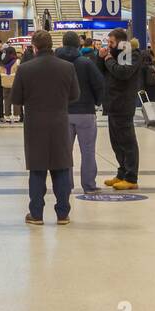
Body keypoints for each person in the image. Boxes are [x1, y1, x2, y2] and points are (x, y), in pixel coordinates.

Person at [12, 30, 80, 225]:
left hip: (35, 125)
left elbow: (16, 98)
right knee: (61, 168)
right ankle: (62, 214)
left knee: (37, 170)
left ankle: (36, 214)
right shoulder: (67, 67)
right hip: (59, 123)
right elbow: (75, 95)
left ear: (34, 47)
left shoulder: (25, 69)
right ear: (51, 45)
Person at [56, 31, 105, 192]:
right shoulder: (86, 63)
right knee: (88, 151)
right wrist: (96, 102)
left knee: (65, 152)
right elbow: (99, 84)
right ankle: (89, 185)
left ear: (63, 44)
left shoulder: (56, 63)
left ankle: (66, 185)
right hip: (85, 112)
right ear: (79, 45)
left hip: (62, 113)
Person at [99, 28, 142, 189]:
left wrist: (108, 59)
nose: (109, 45)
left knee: (127, 142)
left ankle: (131, 178)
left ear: (120, 42)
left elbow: (122, 73)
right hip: (112, 104)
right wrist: (101, 57)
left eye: (111, 42)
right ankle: (122, 172)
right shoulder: (115, 55)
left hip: (123, 104)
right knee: (116, 142)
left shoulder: (133, 54)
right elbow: (102, 71)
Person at [0, 45, 20, 121]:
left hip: (5, 84)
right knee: (16, 99)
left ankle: (7, 116)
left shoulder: (2, 62)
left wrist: (6, 75)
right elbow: (19, 72)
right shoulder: (17, 61)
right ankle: (16, 116)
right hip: (15, 83)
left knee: (7, 100)